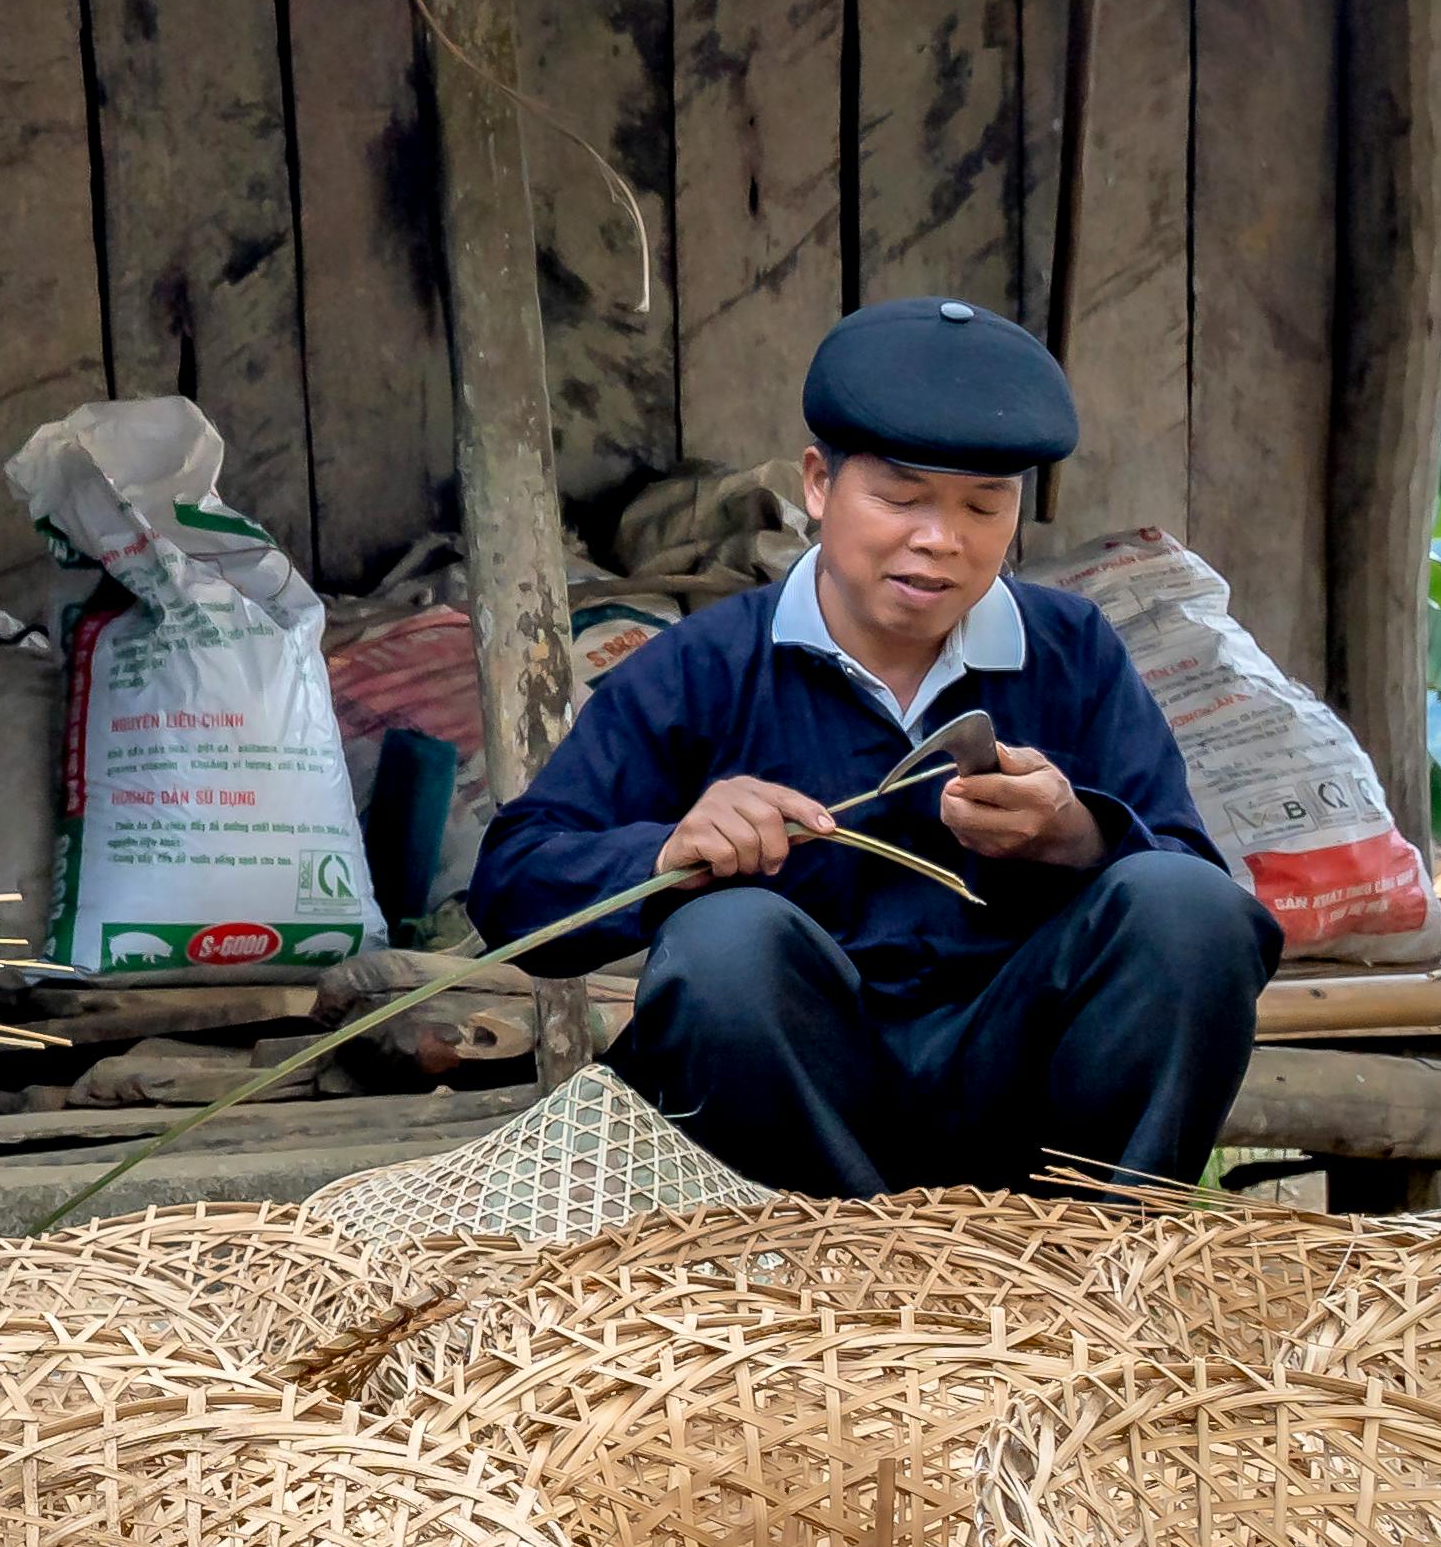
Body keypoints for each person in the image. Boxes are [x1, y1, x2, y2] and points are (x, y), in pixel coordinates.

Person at [464, 295, 1276, 1196]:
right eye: (900, 497)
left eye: (982, 504)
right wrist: (666, 852)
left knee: (1183, 906)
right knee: (726, 941)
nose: (940, 540)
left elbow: (1201, 900)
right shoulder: (705, 665)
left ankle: (1095, 1267)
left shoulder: (1071, 650)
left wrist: (1074, 836)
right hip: (790, 1114)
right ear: (817, 484)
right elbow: (512, 890)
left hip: (1023, 1099)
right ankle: (841, 1288)